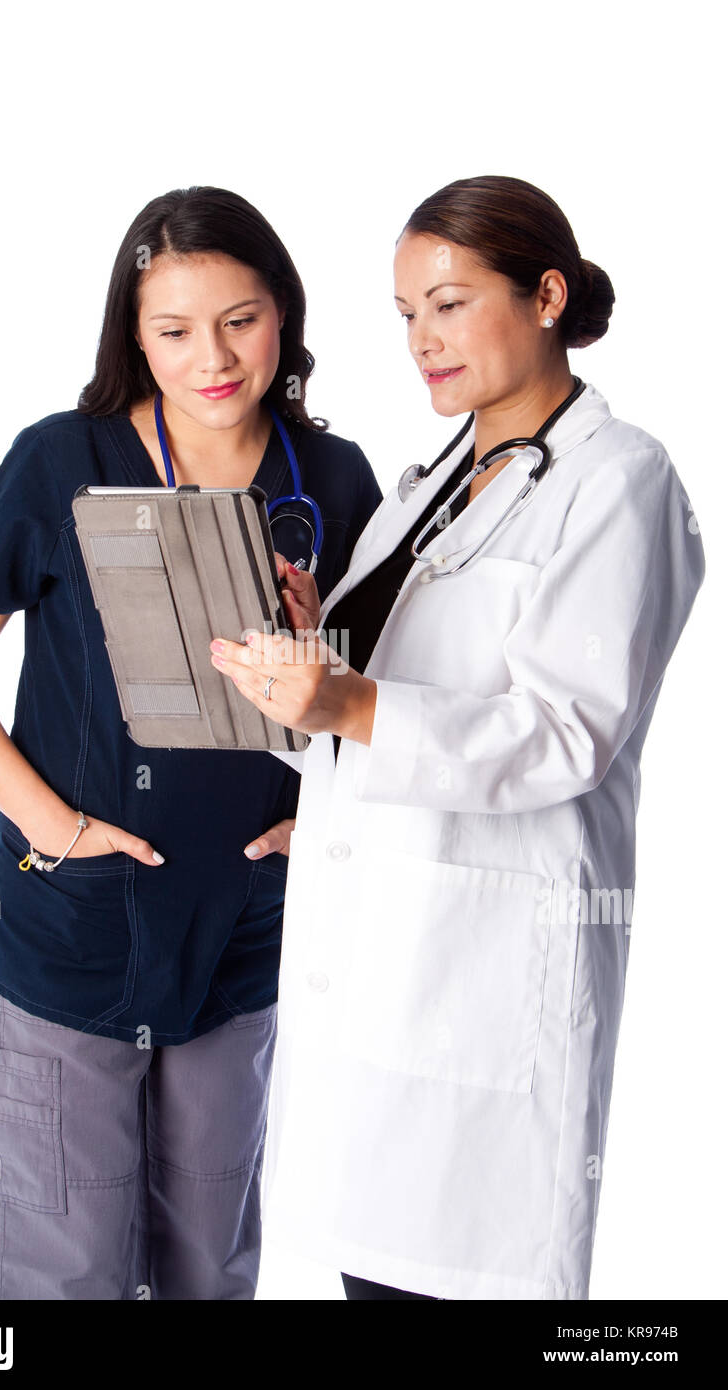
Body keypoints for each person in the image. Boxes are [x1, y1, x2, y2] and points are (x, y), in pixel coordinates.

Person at [208, 174, 706, 1301]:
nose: (419, 340)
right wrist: (307, 661)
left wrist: (344, 703)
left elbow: (562, 733)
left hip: (480, 987)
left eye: (444, 302)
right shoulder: (428, 483)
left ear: (544, 294)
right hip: (376, 969)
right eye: (401, 315)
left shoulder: (616, 480)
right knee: (371, 1275)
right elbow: (358, 721)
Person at [0, 185, 382, 1300]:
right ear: (134, 336)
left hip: (240, 937)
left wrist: (319, 812)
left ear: (284, 317)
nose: (210, 357)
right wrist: (52, 828)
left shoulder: (339, 480)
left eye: (239, 319)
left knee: (209, 1266)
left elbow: (375, 702)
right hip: (68, 932)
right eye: (172, 330)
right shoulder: (57, 460)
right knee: (50, 1271)